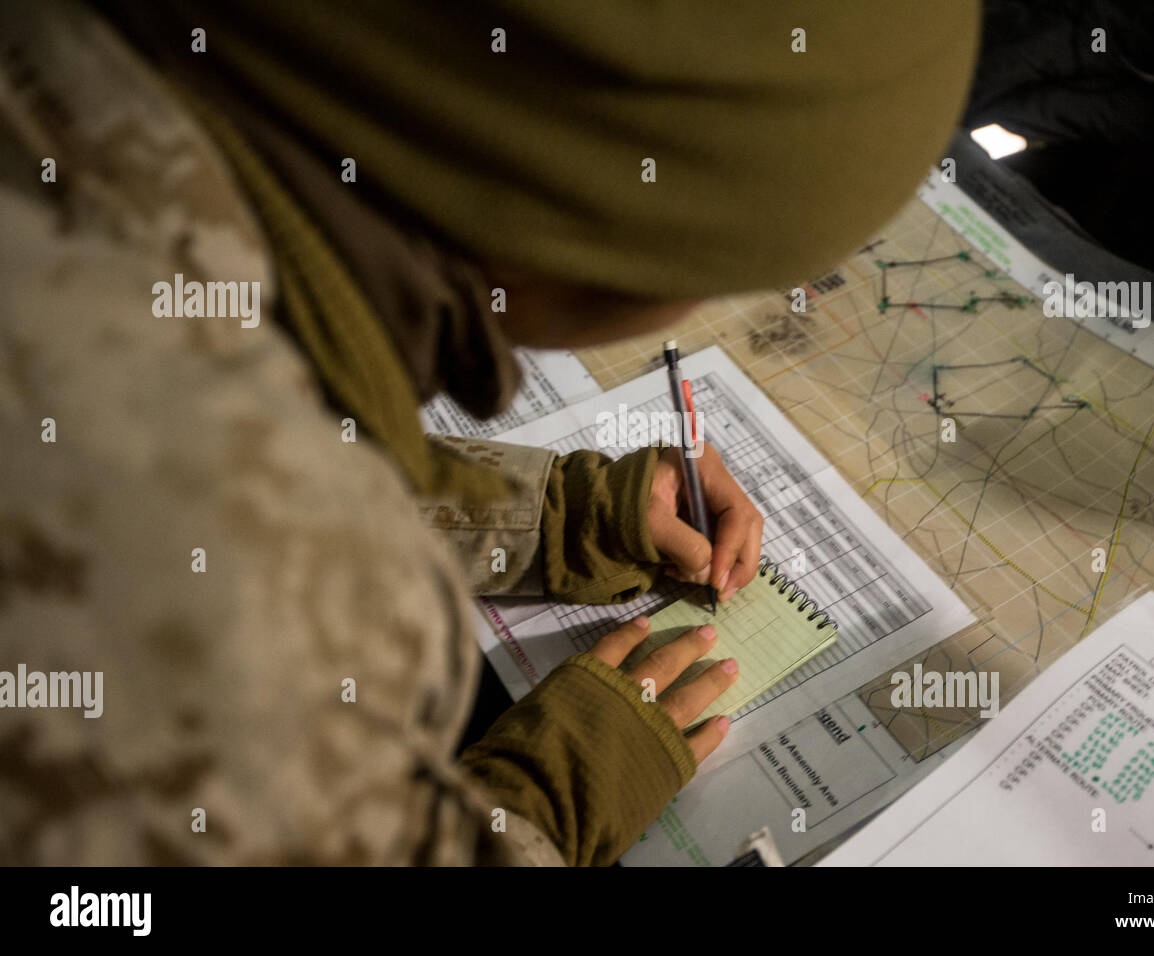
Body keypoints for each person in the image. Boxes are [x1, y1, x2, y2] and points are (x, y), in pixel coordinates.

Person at [0, 0, 977, 865]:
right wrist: (548, 800)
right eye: (718, 267)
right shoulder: (251, 607)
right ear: (592, 247)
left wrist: (554, 516)